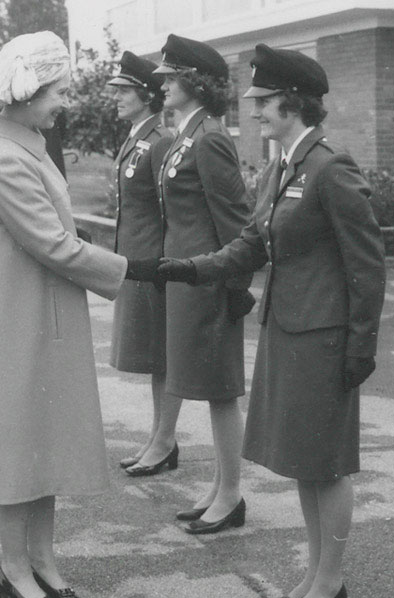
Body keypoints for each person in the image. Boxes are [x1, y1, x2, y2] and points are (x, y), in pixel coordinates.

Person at [158, 44, 386, 598]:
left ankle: (330, 583)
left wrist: (361, 347)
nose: (253, 109)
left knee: (325, 464)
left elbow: (368, 264)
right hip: (290, 330)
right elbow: (251, 244)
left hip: (325, 338)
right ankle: (315, 576)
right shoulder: (285, 165)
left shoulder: (330, 168)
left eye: (262, 100)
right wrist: (186, 268)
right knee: (307, 462)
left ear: (292, 103)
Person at [0, 31, 161, 598]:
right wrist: (134, 268)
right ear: (27, 91)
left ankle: (43, 561)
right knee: (17, 445)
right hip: (16, 322)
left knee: (44, 441)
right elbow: (52, 244)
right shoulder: (5, 156)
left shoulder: (25, 140)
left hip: (37, 315)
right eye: (58, 90)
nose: (66, 100)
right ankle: (14, 569)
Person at [148, 34, 252, 531]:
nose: (163, 84)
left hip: (209, 281)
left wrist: (234, 287)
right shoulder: (185, 136)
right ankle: (218, 488)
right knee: (208, 388)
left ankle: (231, 494)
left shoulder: (210, 137)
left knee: (220, 390)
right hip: (186, 281)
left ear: (195, 83)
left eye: (171, 77)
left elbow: (235, 222)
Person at [105, 51, 181, 476]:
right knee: (154, 356)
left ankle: (165, 440)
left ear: (147, 95)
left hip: (154, 264)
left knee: (162, 356)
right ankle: (158, 437)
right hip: (135, 263)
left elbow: (170, 210)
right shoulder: (139, 135)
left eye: (124, 91)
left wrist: (160, 262)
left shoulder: (161, 140)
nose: (115, 97)